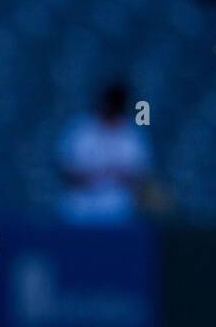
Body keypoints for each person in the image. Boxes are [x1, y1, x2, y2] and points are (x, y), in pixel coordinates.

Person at [55, 82, 152, 224]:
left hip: (117, 208)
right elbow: (66, 171)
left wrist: (116, 175)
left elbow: (140, 176)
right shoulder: (81, 130)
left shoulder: (132, 135)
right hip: (80, 206)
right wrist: (95, 175)